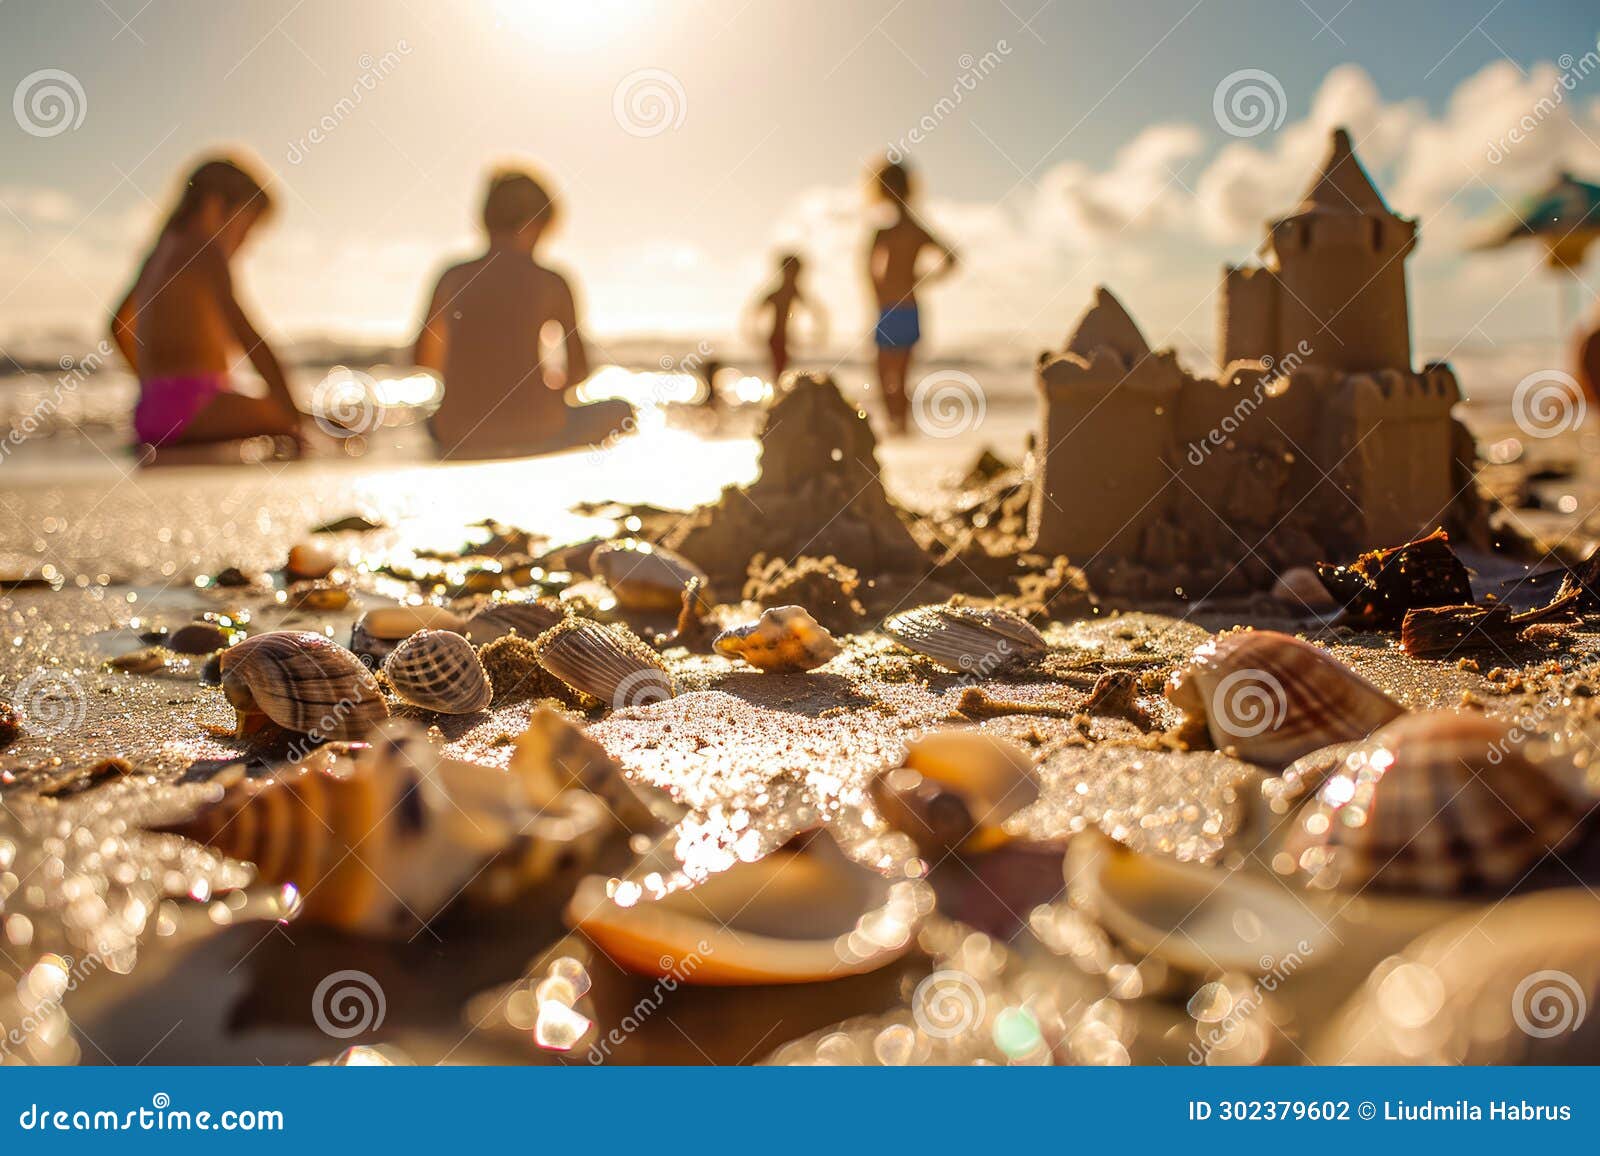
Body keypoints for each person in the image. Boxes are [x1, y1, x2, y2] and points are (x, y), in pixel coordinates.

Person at [415, 165, 632, 459]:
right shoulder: (552, 281)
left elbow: (422, 359)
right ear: (537, 223)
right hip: (536, 427)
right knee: (621, 410)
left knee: (426, 422)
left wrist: (476, 382)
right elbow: (578, 370)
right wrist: (545, 387)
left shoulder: (451, 277)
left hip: (457, 432)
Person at [111, 156, 304, 450]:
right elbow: (247, 335)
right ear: (215, 205)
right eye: (246, 228)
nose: (245, 243)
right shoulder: (204, 250)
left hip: (149, 411)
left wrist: (157, 389)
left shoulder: (158, 253)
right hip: (194, 409)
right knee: (291, 419)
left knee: (282, 414)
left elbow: (116, 325)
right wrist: (289, 411)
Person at [865, 158, 958, 434]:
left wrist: (918, 281)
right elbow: (950, 259)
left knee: (889, 372)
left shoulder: (896, 230)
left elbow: (950, 258)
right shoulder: (901, 229)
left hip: (897, 307)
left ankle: (899, 423)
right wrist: (920, 281)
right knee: (891, 372)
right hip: (902, 306)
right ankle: (898, 422)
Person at [747, 253, 826, 383]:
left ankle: (777, 391)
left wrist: (820, 333)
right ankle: (777, 392)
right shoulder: (781, 292)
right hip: (776, 338)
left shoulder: (791, 291)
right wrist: (754, 334)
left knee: (782, 368)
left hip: (785, 338)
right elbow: (755, 312)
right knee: (779, 367)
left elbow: (816, 312)